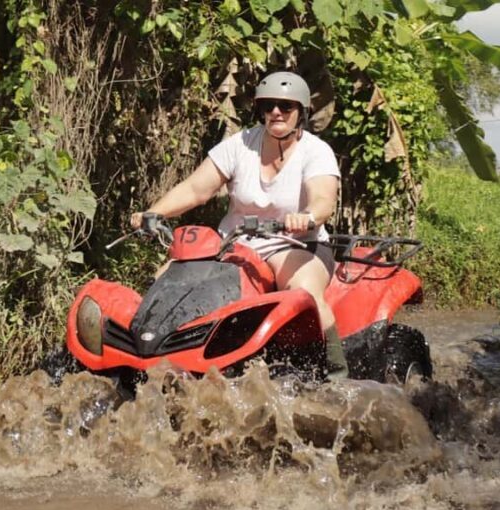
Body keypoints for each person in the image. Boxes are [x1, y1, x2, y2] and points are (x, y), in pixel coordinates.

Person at [130, 71, 347, 379]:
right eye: (269, 105)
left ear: (301, 112)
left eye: (285, 106)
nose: (276, 112)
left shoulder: (316, 151)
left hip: (295, 243)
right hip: (234, 242)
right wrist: (153, 213)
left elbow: (324, 199)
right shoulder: (241, 144)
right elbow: (196, 189)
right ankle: (143, 362)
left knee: (306, 293)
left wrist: (308, 216)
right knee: (164, 278)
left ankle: (336, 379)